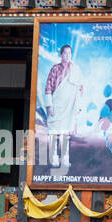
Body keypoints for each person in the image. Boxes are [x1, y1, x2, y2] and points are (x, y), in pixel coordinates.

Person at [43, 43, 84, 172]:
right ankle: (54, 158)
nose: (67, 55)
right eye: (65, 53)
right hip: (56, 104)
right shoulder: (55, 69)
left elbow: (80, 88)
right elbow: (49, 87)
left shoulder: (76, 69)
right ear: (61, 55)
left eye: (69, 53)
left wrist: (78, 106)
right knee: (54, 133)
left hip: (70, 106)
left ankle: (65, 159)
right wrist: (49, 105)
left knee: (65, 134)